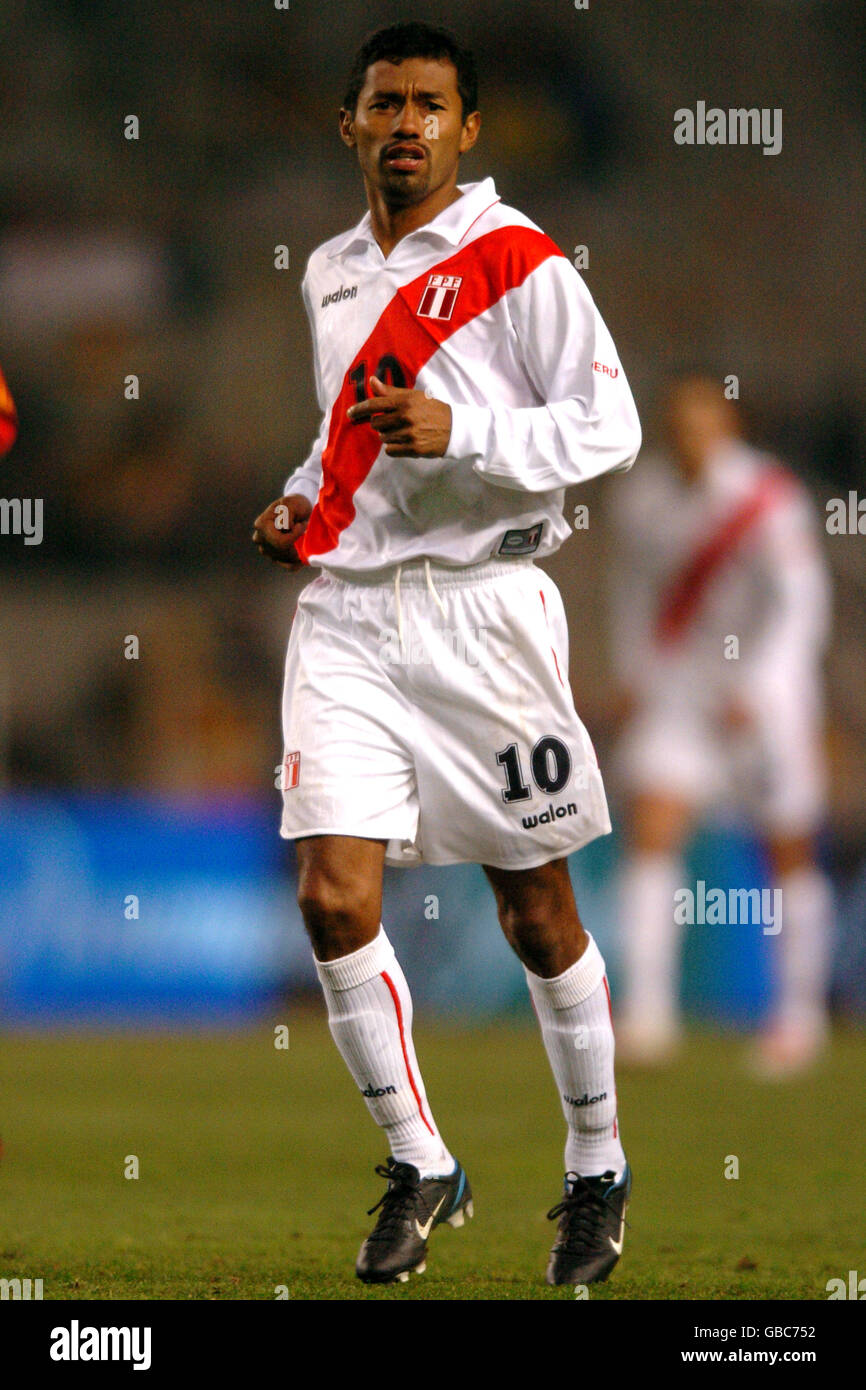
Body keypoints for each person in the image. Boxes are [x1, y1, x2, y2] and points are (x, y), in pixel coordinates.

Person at [253, 22, 641, 1287]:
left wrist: (460, 429)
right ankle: (421, 1160)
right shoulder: (324, 271)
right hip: (351, 615)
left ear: (467, 128)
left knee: (534, 912)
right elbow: (345, 438)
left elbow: (609, 424)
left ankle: (594, 1167)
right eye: (385, 104)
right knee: (329, 896)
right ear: (351, 124)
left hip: (486, 616)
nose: (407, 123)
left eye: (430, 104)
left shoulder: (514, 258)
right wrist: (297, 501)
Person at [608, 373, 833, 1078]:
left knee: (786, 845)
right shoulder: (639, 498)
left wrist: (761, 687)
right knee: (652, 827)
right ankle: (648, 1015)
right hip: (681, 691)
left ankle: (799, 1015)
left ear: (728, 420)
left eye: (703, 414)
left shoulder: (769, 497)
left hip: (765, 699)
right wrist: (637, 673)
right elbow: (633, 592)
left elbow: (802, 602)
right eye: (678, 416)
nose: (689, 429)